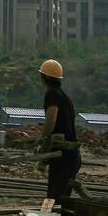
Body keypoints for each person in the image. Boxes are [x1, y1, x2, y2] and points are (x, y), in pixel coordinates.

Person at [38, 59, 80, 205]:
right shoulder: (64, 97)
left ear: (44, 78)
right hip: (70, 157)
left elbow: (51, 121)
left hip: (64, 158)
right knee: (60, 202)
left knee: (53, 201)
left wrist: (42, 144)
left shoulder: (52, 94)